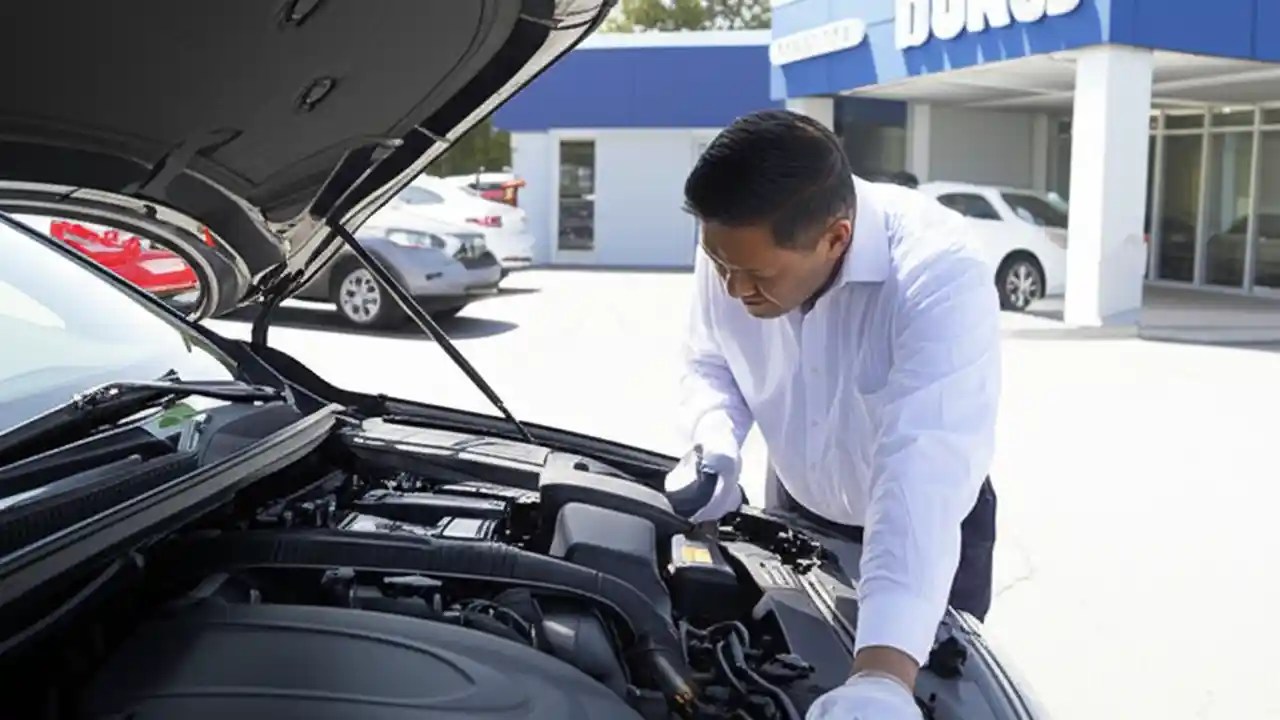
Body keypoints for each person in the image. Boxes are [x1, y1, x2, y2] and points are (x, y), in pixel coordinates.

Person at [666, 109, 1001, 720]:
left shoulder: (940, 272)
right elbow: (710, 358)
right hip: (794, 503)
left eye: (756, 275)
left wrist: (882, 677)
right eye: (720, 267)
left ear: (836, 238)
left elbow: (920, 475)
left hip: (924, 522)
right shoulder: (738, 244)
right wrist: (715, 440)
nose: (734, 290)